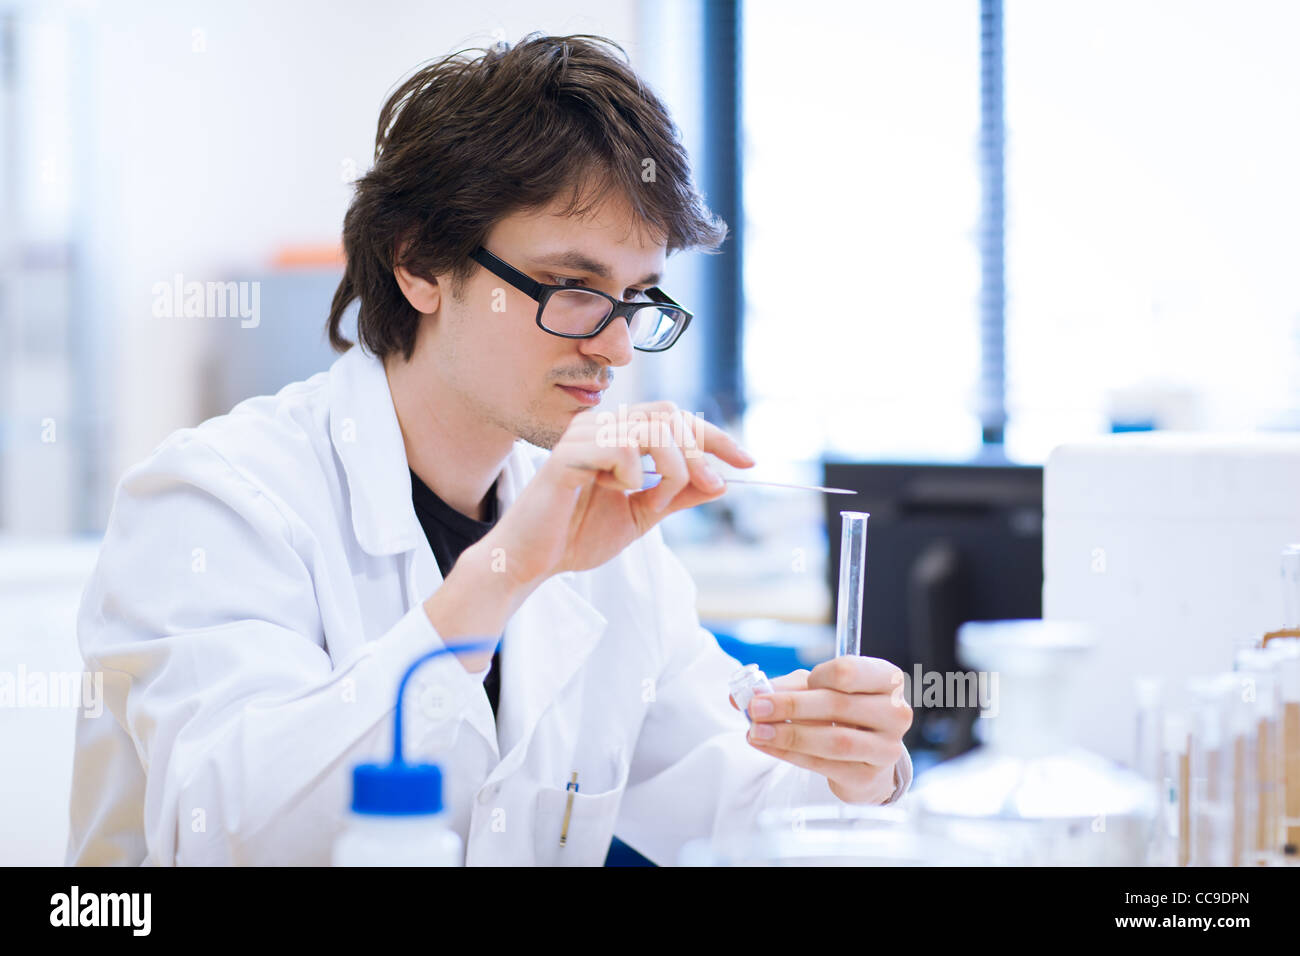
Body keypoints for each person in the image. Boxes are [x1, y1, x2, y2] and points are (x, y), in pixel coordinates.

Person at [67, 33, 912, 866]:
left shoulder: (605, 541)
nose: (617, 350)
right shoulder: (213, 501)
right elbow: (239, 834)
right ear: (419, 263)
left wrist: (853, 770)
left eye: (636, 297)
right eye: (576, 288)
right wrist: (502, 572)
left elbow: (738, 800)